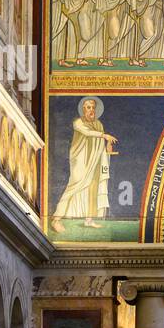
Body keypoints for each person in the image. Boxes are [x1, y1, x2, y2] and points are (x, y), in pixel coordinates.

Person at [51, 97, 116, 233]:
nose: (91, 110)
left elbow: (99, 143)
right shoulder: (78, 122)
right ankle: (56, 219)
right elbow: (88, 133)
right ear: (83, 109)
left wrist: (107, 145)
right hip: (80, 161)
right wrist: (104, 136)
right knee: (74, 186)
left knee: (93, 188)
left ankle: (89, 220)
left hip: (94, 161)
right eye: (88, 107)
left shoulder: (98, 124)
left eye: (93, 107)